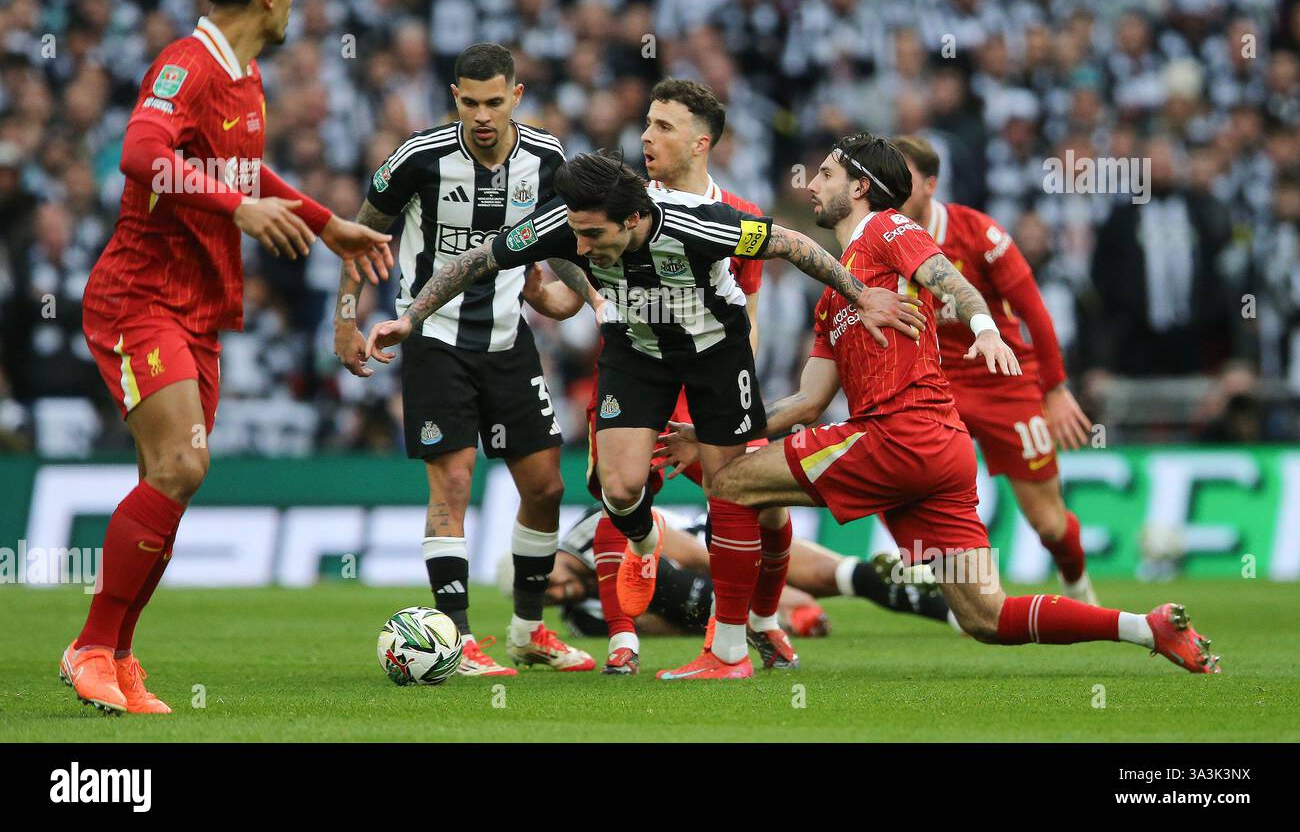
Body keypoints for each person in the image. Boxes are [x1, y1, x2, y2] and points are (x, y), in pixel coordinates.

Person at [663, 132, 1221, 676]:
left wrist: (984, 327)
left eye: (827, 175)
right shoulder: (837, 293)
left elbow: (952, 281)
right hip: (939, 454)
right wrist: (710, 437)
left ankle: (733, 648)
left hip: (895, 435)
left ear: (860, 188)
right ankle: (1147, 628)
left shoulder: (886, 228)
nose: (811, 184)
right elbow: (809, 401)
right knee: (985, 615)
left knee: (732, 483)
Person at [363, 150, 926, 680]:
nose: (580, 249)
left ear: (634, 218)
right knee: (622, 488)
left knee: (735, 490)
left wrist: (860, 294)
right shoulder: (561, 225)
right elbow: (475, 260)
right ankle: (642, 546)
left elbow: (791, 243)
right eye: (576, 233)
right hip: (636, 353)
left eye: (594, 236)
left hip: (714, 353)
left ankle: (733, 646)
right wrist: (411, 318)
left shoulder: (699, 223)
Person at [63, 0, 394, 715]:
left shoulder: (245, 77)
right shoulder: (187, 63)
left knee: (169, 480)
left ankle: (119, 654)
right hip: (140, 297)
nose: (296, 2)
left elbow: (241, 170)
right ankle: (90, 647)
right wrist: (238, 208)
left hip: (200, 308)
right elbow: (141, 154)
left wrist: (324, 222)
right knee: (181, 466)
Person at [335, 43, 594, 675]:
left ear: (516, 97)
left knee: (546, 486)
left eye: (494, 102)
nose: (482, 115)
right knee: (452, 485)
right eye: (470, 102)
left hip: (508, 339)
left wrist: (583, 298)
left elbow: (559, 244)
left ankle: (529, 633)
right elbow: (360, 237)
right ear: (455, 97)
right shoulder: (419, 159)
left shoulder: (547, 159)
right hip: (432, 340)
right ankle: (458, 639)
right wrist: (345, 319)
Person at [580, 78, 800, 674]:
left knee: (769, 507)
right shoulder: (621, 205)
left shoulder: (738, 220)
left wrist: (722, 410)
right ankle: (622, 639)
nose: (646, 137)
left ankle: (762, 620)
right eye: (647, 124)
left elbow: (746, 320)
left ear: (701, 144)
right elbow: (573, 257)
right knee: (619, 493)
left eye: (663, 127)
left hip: (713, 375)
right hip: (640, 371)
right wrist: (580, 297)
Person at [892, 134, 1098, 603]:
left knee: (1048, 522)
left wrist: (1056, 388)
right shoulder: (882, 239)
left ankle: (1076, 582)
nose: (892, 188)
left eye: (903, 179)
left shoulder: (977, 233)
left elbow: (1034, 311)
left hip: (1003, 378)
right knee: (904, 475)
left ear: (930, 183)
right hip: (934, 385)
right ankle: (967, 594)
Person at [514, 504, 952, 640]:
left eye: (548, 585)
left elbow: (695, 556)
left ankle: (953, 608)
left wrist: (772, 595)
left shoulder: (595, 528)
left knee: (837, 575)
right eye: (548, 600)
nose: (558, 594)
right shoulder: (583, 618)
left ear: (546, 563)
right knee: (819, 595)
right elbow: (663, 626)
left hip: (719, 543)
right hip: (708, 599)